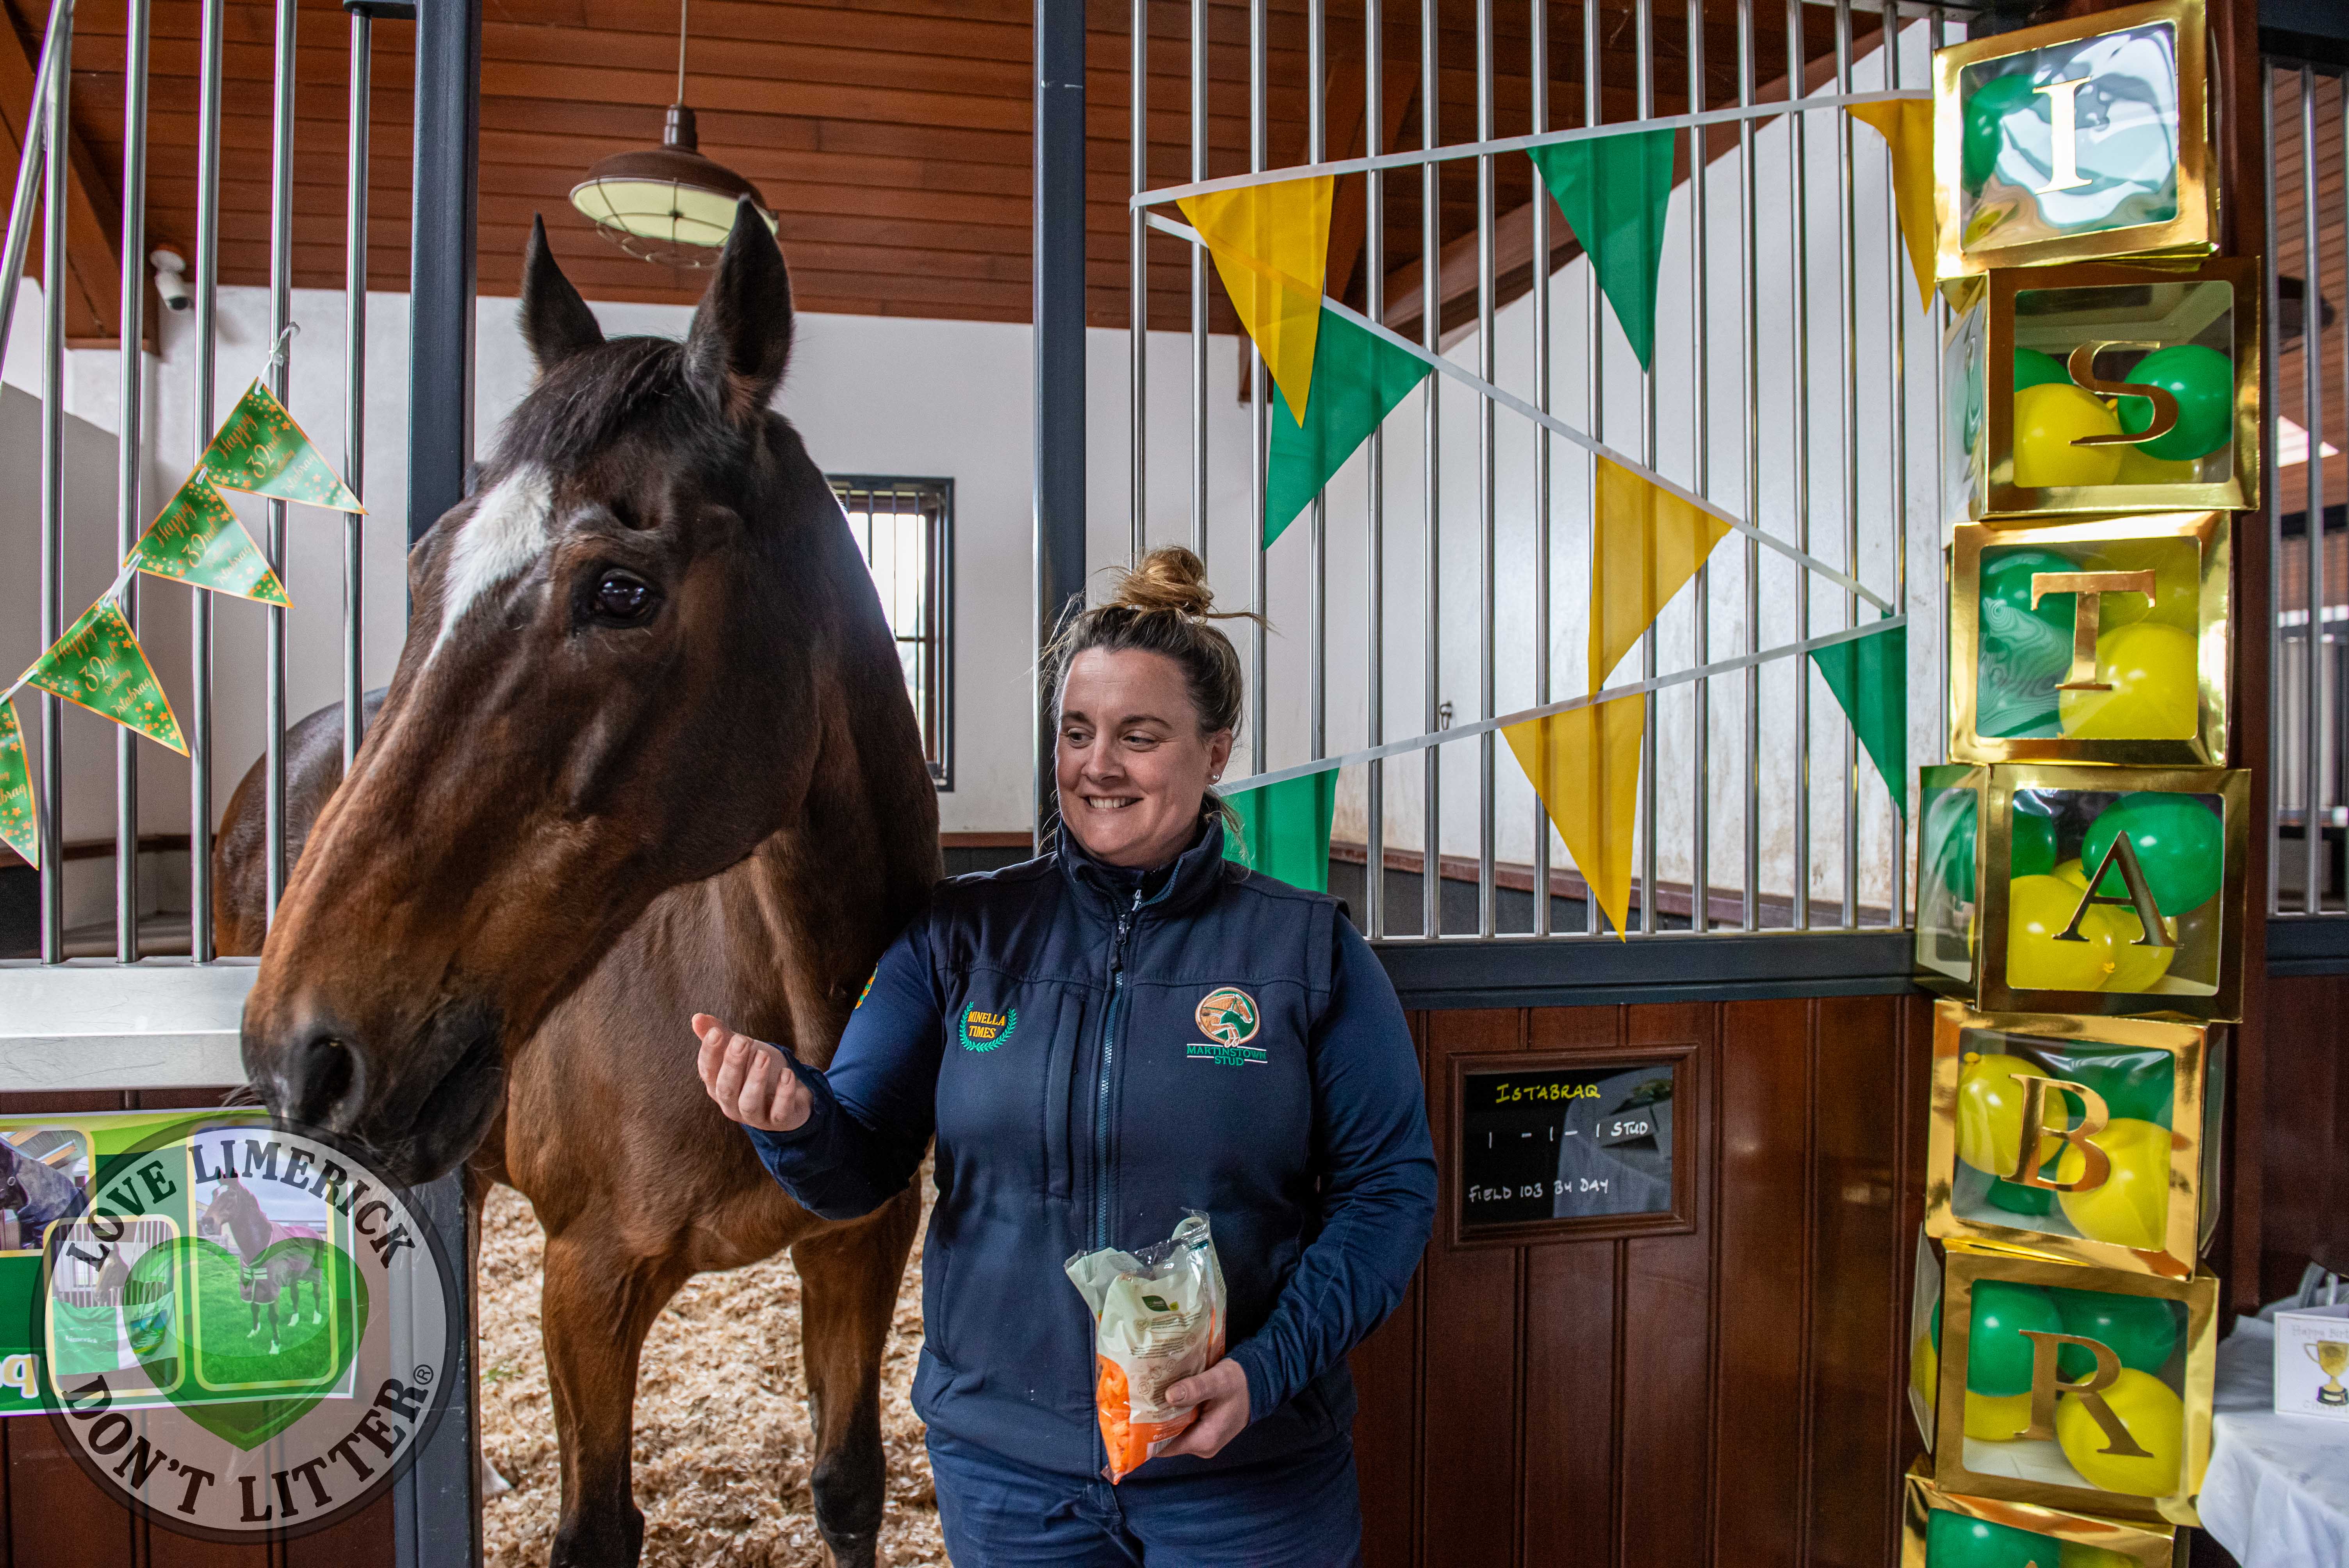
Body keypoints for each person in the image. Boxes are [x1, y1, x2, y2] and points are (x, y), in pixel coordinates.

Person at [692, 545, 1436, 1567]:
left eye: (1140, 736)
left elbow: (1389, 1193)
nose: (1099, 766)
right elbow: (858, 1165)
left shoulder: (1307, 954)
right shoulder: (961, 938)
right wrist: (795, 1122)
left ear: (1216, 752)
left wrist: (1265, 1370)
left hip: (1245, 1479)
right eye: (1077, 733)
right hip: (1012, 1478)